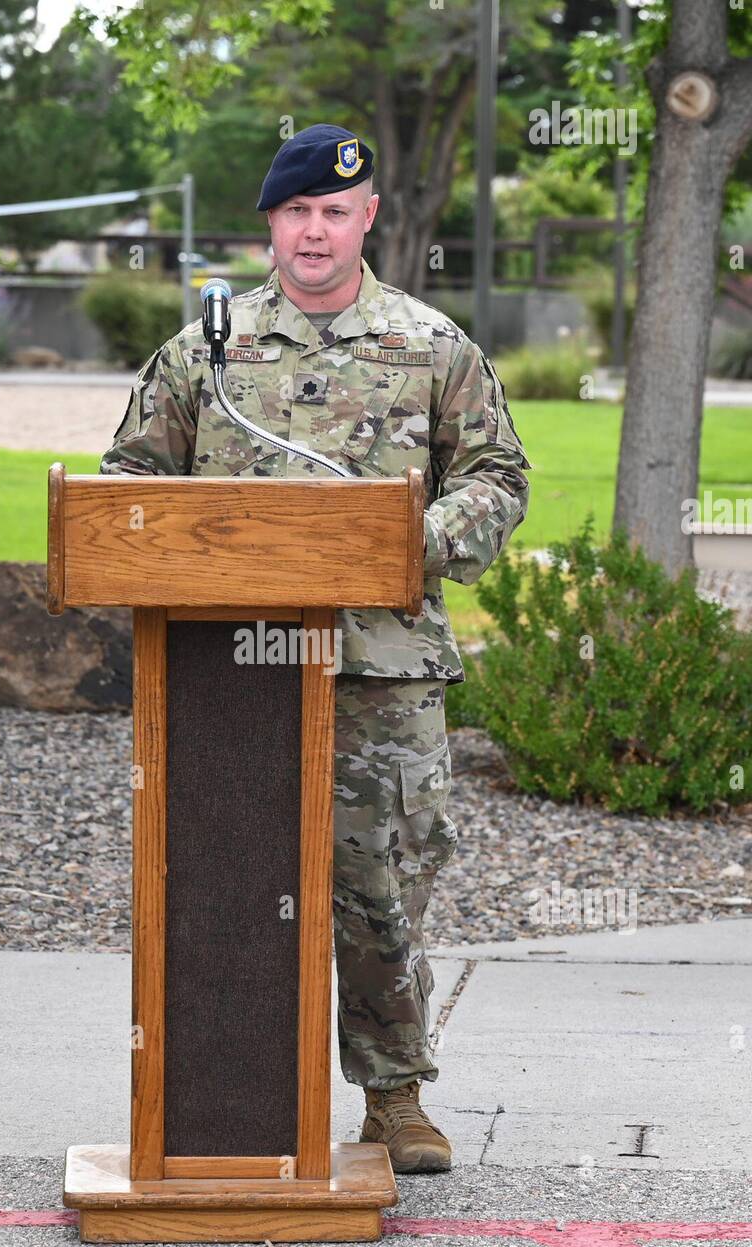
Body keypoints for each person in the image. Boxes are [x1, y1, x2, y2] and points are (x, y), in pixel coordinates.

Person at [99, 123, 532, 1173]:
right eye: (296, 212)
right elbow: (127, 488)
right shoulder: (204, 350)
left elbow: (497, 480)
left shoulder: (432, 348)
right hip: (224, 674)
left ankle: (394, 1099)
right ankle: (226, 1110)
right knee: (225, 884)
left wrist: (411, 539)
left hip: (380, 671)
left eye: (335, 211)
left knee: (379, 888)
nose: (314, 231)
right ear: (270, 226)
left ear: (368, 218)